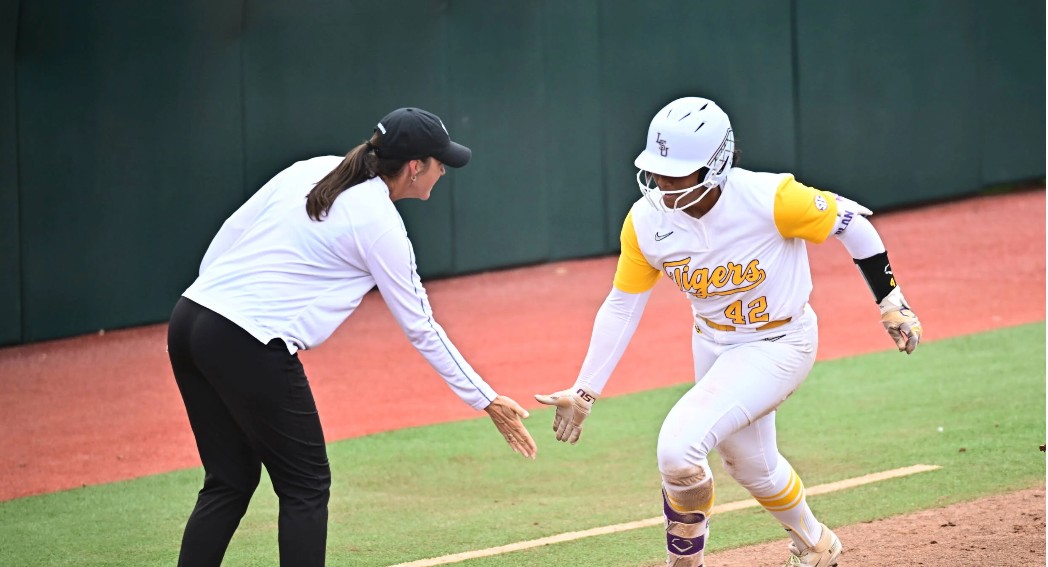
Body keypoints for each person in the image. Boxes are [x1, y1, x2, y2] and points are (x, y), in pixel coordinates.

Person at [535, 96, 922, 567]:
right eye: (656, 169)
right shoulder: (645, 221)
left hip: (779, 341)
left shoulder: (771, 198)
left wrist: (891, 302)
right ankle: (816, 544)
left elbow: (854, 226)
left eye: (678, 171)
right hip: (713, 341)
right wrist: (586, 389)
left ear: (716, 164)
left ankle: (685, 563)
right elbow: (622, 305)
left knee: (678, 449)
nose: (663, 182)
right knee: (753, 467)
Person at [167, 107, 537, 567]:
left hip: (190, 318)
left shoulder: (313, 168)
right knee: (305, 487)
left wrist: (215, 299)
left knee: (229, 479)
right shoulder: (380, 225)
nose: (444, 170)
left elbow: (231, 232)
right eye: (440, 162)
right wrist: (486, 398)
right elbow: (422, 327)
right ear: (414, 167)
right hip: (247, 339)